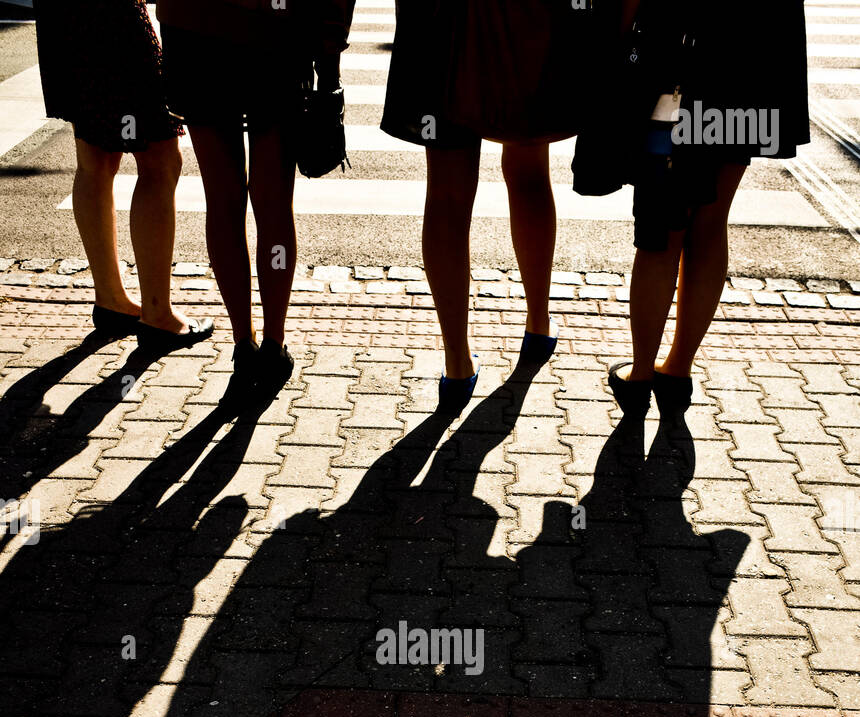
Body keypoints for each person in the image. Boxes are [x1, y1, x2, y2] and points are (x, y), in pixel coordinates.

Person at [575, 0, 810, 421]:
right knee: (711, 220)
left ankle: (641, 374)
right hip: (753, 65)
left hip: (678, 69)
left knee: (662, 229)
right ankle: (678, 369)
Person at [382, 0, 608, 415]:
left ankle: (456, 364)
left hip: (444, 29)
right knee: (528, 171)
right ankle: (538, 323)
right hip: (527, 25)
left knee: (447, 197)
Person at [156, 0, 356, 413]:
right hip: (275, 34)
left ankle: (243, 343)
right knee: (273, 203)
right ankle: (273, 344)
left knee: (223, 198)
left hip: (194, 32)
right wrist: (329, 58)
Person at [32, 0, 213, 350]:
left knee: (95, 156)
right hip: (111, 16)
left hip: (65, 17)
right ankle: (157, 314)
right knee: (159, 159)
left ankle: (111, 298)